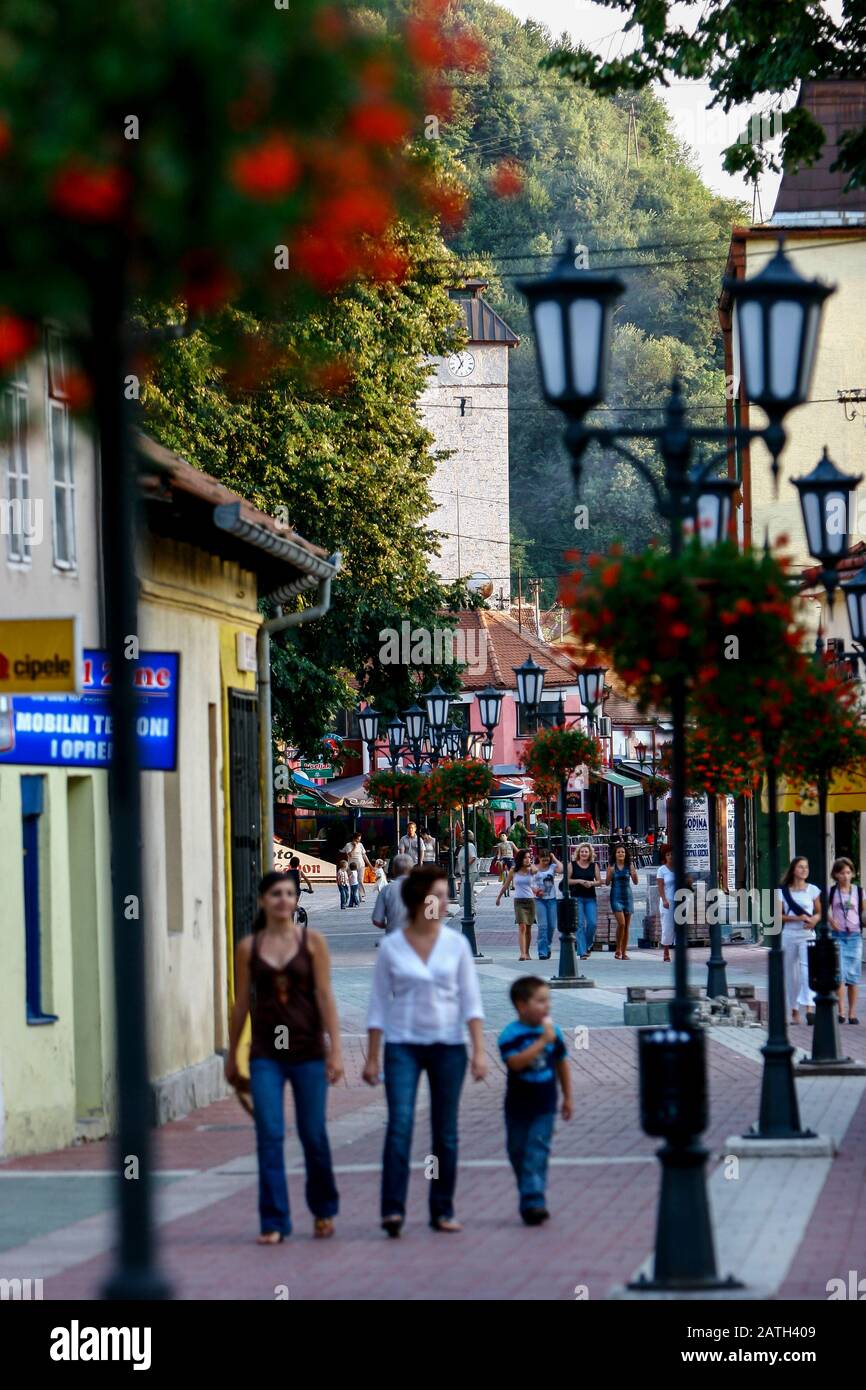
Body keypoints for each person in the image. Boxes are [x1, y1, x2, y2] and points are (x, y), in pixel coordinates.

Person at [363, 865, 487, 1236]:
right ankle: (393, 1209)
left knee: (444, 1131)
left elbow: (471, 1001)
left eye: (446, 895)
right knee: (400, 1124)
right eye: (439, 895)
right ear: (419, 901)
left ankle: (442, 1208)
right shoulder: (392, 947)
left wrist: (479, 1051)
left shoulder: (456, 945)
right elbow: (378, 1005)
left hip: (449, 1046)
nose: (446, 902)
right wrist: (372, 1056)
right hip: (402, 1045)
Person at [225, 871, 342, 1243]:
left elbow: (325, 996)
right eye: (276, 894)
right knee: (270, 1134)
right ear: (263, 901)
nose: (283, 900)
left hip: (307, 1050)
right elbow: (242, 1004)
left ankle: (323, 1209)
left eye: (290, 894)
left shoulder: (313, 944)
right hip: (265, 1054)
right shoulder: (249, 948)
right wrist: (232, 1056)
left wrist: (335, 1049)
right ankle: (274, 1220)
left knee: (313, 1134)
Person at [498, 977, 572, 1225]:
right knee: (517, 1151)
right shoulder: (511, 1035)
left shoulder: (555, 1033)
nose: (547, 1006)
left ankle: (534, 1201)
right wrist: (542, 1042)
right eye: (540, 1001)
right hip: (517, 1106)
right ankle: (528, 1192)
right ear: (521, 1005)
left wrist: (568, 1097)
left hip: (544, 1104)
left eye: (548, 1000)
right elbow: (515, 1063)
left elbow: (561, 1063)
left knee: (537, 1149)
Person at [778, 856, 820, 1025]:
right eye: (801, 867)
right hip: (789, 935)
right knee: (791, 975)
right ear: (793, 870)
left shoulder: (813, 890)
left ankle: (810, 1007)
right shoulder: (782, 891)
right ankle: (794, 1009)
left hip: (807, 935)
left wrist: (815, 920)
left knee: (807, 971)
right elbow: (777, 915)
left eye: (806, 867)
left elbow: (818, 912)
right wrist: (798, 918)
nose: (804, 870)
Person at [828, 856, 863, 1024]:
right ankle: (841, 1011)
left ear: (852, 874)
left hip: (854, 936)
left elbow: (863, 912)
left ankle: (852, 1013)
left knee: (853, 976)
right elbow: (821, 910)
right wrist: (830, 920)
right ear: (835, 874)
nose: (845, 876)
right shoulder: (832, 892)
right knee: (840, 975)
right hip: (837, 936)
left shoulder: (858, 891)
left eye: (848, 872)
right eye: (842, 873)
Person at [497, 848, 537, 961]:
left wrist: (531, 863)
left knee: (529, 928)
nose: (527, 859)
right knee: (522, 926)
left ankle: (528, 953)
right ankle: (522, 953)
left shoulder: (531, 870)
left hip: (530, 901)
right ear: (520, 859)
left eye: (529, 857)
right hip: (519, 901)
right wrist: (499, 897)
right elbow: (506, 884)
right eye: (525, 857)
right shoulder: (514, 870)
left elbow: (536, 871)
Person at [606, 843, 639, 960]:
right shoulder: (611, 866)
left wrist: (634, 873)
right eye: (619, 852)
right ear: (615, 854)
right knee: (622, 923)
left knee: (626, 926)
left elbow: (635, 882)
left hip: (627, 896)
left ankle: (624, 952)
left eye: (623, 852)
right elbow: (607, 883)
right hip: (616, 896)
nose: (621, 854)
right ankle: (618, 948)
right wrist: (609, 873)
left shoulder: (629, 866)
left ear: (626, 855)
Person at [569, 843, 601, 959]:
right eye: (582, 851)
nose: (584, 854)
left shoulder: (594, 866)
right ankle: (582, 952)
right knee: (580, 924)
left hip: (590, 897)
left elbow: (599, 881)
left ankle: (587, 945)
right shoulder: (572, 865)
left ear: (590, 854)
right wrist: (579, 881)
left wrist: (591, 883)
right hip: (576, 897)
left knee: (592, 923)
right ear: (578, 853)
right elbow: (567, 881)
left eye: (586, 852)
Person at [371, 853, 412, 935]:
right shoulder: (423, 888)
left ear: (393, 870)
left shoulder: (386, 890)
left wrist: (389, 926)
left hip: (394, 935)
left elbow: (377, 920)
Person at [532, 850, 562, 961]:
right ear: (538, 858)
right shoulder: (534, 868)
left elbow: (562, 869)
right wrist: (535, 890)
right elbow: (529, 882)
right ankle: (542, 951)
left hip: (552, 900)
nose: (545, 861)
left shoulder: (552, 867)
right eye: (543, 859)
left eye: (547, 859)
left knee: (552, 926)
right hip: (539, 900)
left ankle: (548, 945)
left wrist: (554, 858)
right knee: (543, 926)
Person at [656, 846, 676, 964]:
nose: (670, 857)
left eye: (672, 854)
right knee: (667, 926)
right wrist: (664, 900)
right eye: (668, 855)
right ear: (665, 857)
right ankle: (666, 951)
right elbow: (660, 886)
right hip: (667, 900)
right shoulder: (662, 870)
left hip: (679, 900)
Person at [342, 832, 372, 900]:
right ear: (354, 838)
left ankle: (362, 895)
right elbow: (350, 855)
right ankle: (354, 896)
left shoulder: (361, 845)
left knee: (360, 880)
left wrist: (370, 865)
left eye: (359, 839)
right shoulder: (348, 845)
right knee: (352, 881)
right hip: (352, 866)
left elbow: (364, 855)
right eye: (358, 839)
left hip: (361, 864)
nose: (359, 841)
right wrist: (354, 847)